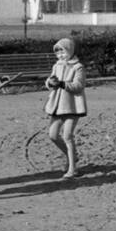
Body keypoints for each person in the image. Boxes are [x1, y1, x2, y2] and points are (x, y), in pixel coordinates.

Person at [45, 37, 87, 178]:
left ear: (70, 51)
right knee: (53, 135)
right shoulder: (56, 66)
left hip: (72, 107)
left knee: (67, 136)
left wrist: (63, 84)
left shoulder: (78, 67)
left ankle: (72, 169)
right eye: (58, 53)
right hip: (57, 106)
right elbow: (49, 81)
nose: (60, 55)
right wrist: (50, 82)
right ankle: (73, 156)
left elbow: (79, 86)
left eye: (63, 52)